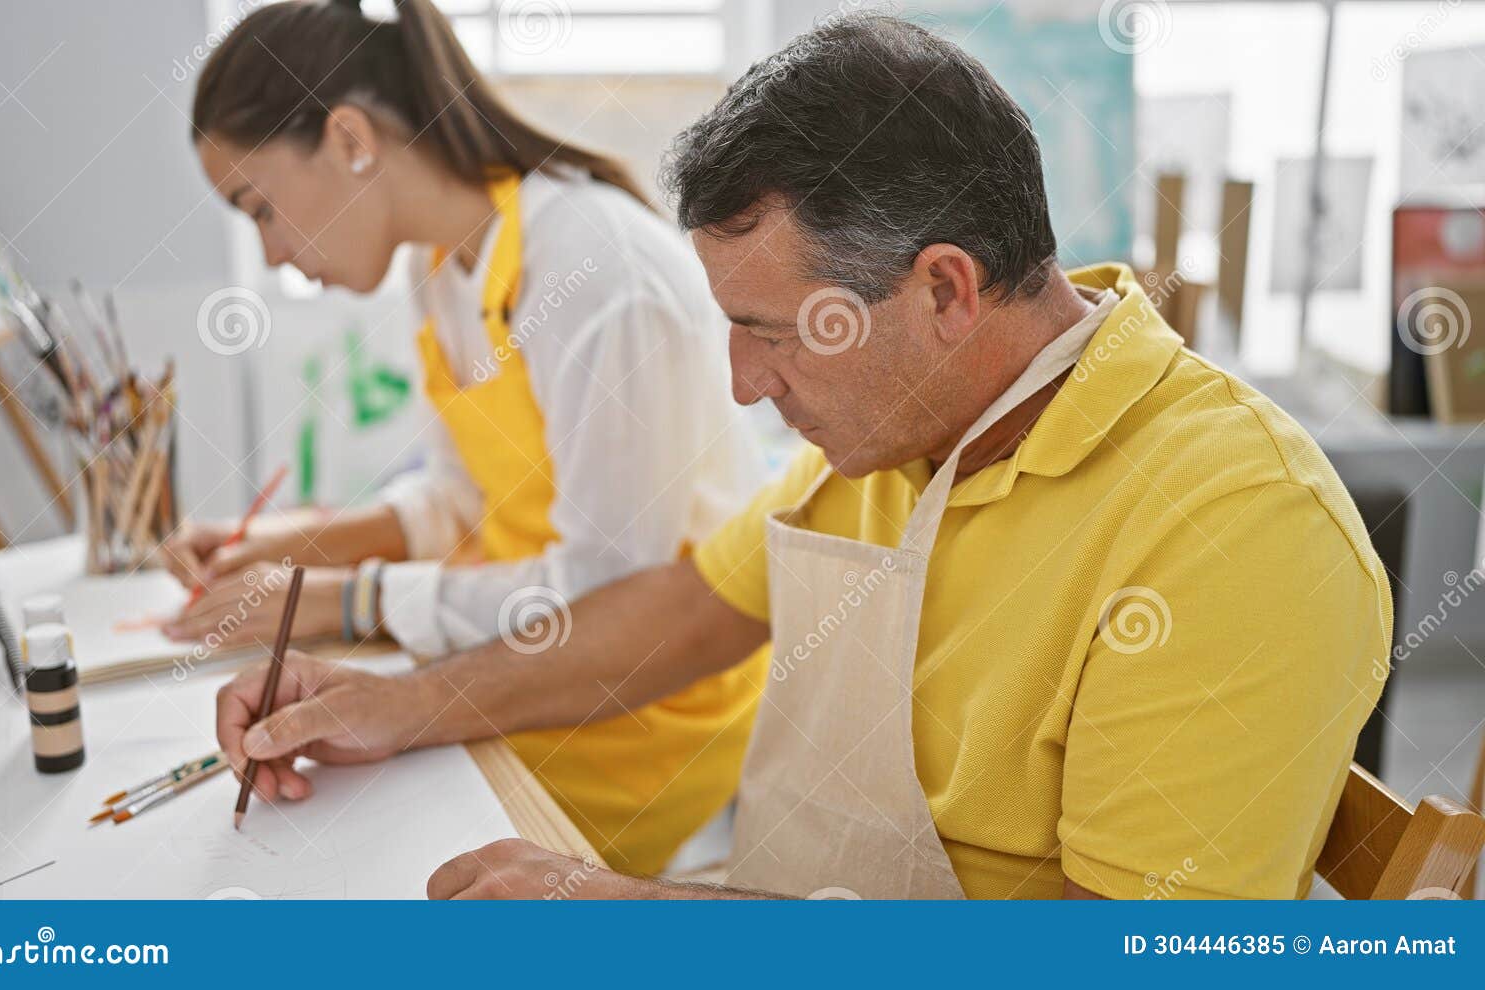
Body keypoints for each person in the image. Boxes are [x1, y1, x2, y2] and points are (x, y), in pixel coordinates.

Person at [215, 14, 1393, 899]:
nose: (742, 383)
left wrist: (634, 913)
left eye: (772, 333)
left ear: (945, 290)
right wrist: (400, 706)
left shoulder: (1238, 528)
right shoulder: (898, 433)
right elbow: (681, 613)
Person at [169, 0, 770, 875]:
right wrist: (279, 548)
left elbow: (605, 593)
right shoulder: (440, 264)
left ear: (349, 139)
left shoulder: (596, 269)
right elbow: (458, 500)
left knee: (376, 856)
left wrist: (350, 599)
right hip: (527, 657)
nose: (269, 255)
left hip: (643, 707)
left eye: (260, 208)